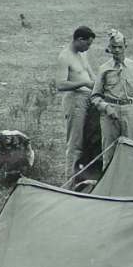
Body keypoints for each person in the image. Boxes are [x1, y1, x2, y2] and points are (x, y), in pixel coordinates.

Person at [89, 29, 133, 168]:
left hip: (130, 111)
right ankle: (108, 187)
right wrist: (106, 108)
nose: (117, 50)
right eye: (114, 47)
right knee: (109, 153)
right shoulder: (104, 68)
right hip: (110, 114)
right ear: (109, 48)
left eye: (120, 47)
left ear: (126, 46)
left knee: (131, 151)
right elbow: (95, 96)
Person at [55, 26, 97, 176]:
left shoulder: (82, 54)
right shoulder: (65, 57)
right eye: (87, 44)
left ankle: (84, 178)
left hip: (89, 99)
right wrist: (84, 84)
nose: (88, 48)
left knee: (89, 140)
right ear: (79, 39)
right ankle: (70, 181)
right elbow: (60, 84)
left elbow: (91, 75)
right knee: (75, 143)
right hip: (75, 101)